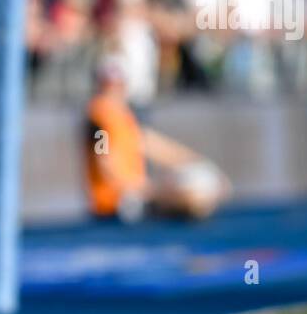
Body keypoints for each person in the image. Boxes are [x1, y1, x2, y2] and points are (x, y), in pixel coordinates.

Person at [85, 57, 229, 221]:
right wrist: (148, 190)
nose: (114, 90)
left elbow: (154, 146)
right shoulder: (99, 119)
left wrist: (201, 163)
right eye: (109, 85)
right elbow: (105, 165)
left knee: (198, 188)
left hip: (135, 197)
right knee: (191, 199)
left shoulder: (123, 118)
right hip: (116, 204)